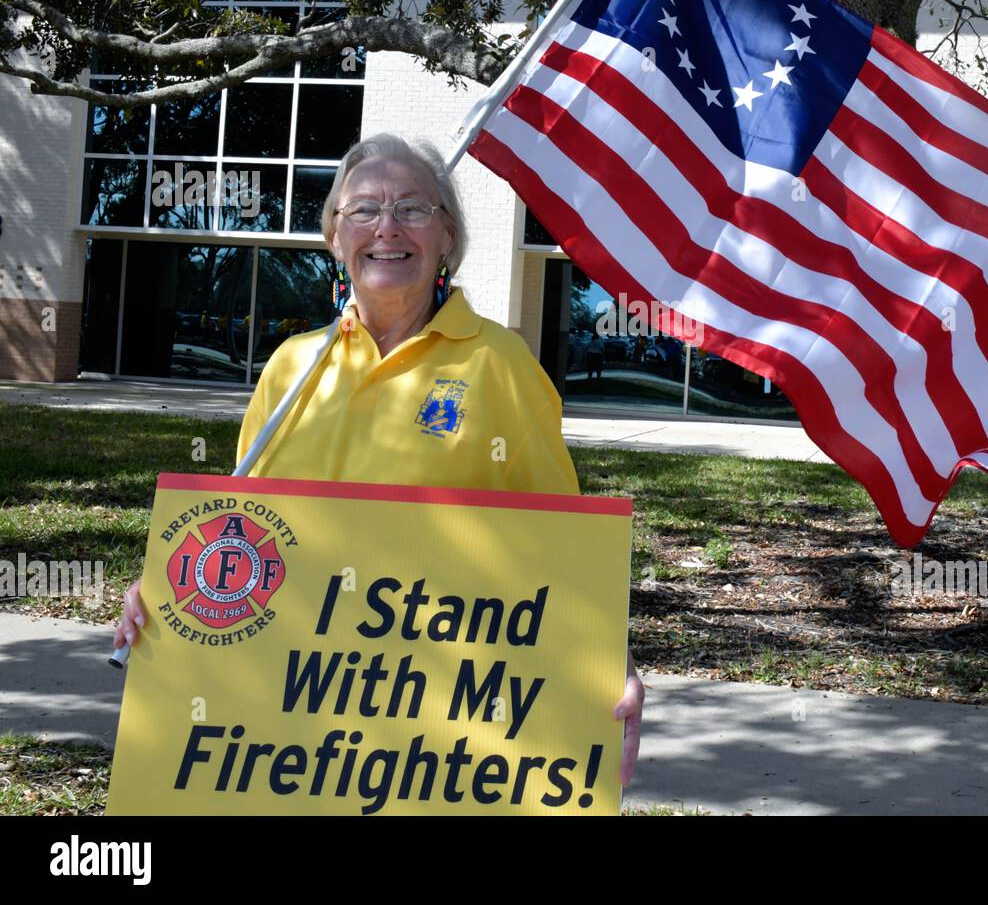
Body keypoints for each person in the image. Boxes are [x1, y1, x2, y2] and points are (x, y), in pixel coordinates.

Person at [114, 132, 644, 786]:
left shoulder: (502, 367)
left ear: (447, 234)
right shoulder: (289, 370)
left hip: (440, 738)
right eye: (362, 210)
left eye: (412, 209)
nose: (386, 227)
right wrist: (166, 594)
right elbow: (234, 540)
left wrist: (607, 663)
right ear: (335, 236)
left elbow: (565, 550)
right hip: (286, 731)